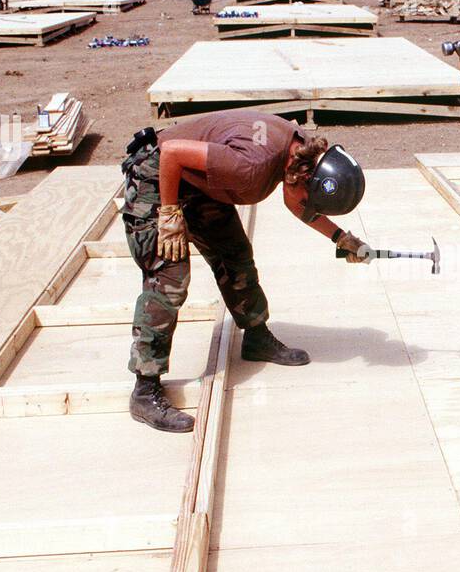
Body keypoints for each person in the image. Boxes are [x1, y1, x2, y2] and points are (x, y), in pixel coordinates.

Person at [121, 112, 369, 432]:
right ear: (300, 178)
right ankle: (144, 389)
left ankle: (256, 337)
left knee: (235, 255)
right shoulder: (249, 167)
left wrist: (341, 239)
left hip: (197, 179)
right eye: (312, 201)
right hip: (158, 176)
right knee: (170, 277)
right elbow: (172, 154)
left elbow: (298, 204)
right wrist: (169, 214)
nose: (310, 208)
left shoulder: (302, 152)